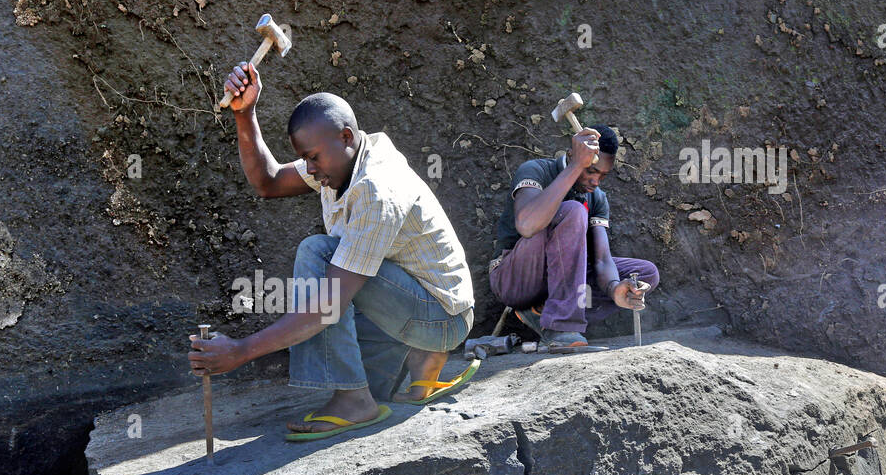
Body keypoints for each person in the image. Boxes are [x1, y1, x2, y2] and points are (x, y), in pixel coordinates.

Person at [187, 60, 477, 440]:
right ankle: (420, 363)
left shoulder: (377, 189)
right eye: (305, 158)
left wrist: (240, 351)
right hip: (419, 308)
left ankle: (356, 400)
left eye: (313, 158)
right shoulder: (344, 158)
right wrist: (246, 114)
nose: (309, 168)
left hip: (440, 317)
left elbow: (328, 306)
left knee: (320, 255)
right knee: (366, 368)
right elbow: (268, 182)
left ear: (345, 137)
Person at [488, 123, 659, 346]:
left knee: (646, 273)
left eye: (603, 175)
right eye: (591, 170)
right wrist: (577, 166)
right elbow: (527, 225)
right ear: (571, 155)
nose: (595, 181)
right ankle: (562, 326)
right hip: (515, 279)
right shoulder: (536, 170)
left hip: (561, 285)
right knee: (573, 210)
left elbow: (602, 259)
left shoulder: (597, 197)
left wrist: (615, 289)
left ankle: (541, 313)